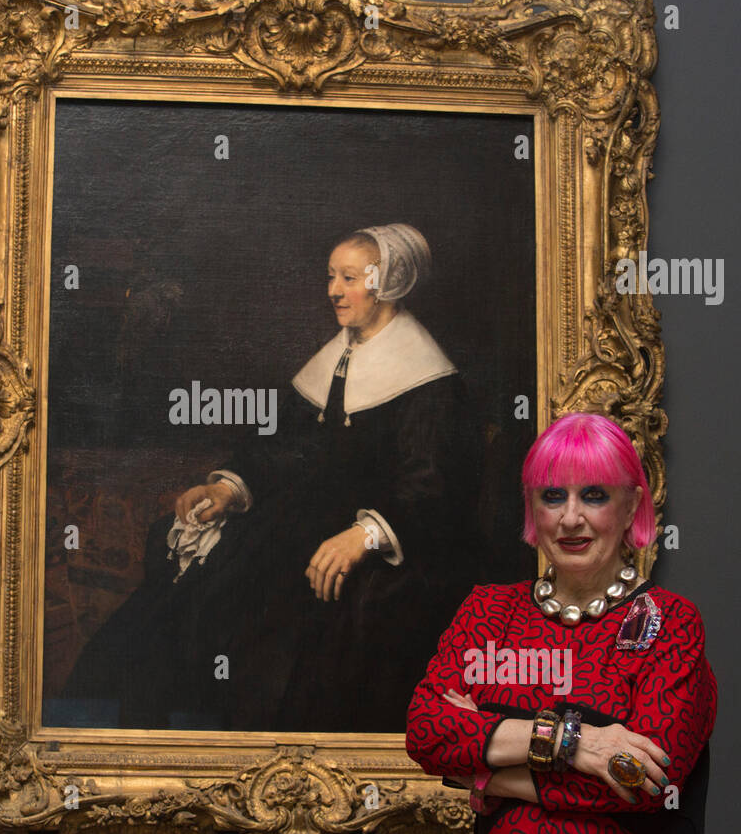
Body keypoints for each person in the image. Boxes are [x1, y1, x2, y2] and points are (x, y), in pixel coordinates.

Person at [56, 223, 480, 732]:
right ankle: (118, 726)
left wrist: (363, 536)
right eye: (330, 276)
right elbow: (285, 449)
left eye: (347, 278)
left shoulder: (429, 381)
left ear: (386, 282)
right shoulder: (337, 356)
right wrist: (228, 488)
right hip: (302, 520)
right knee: (191, 567)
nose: (332, 290)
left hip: (384, 541)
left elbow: (434, 491)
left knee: (285, 613)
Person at [406, 412, 718, 834]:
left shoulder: (670, 622)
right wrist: (576, 743)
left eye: (594, 495)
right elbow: (428, 731)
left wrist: (489, 772)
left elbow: (645, 784)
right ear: (533, 507)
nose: (571, 517)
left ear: (631, 503)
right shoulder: (489, 610)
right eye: (553, 496)